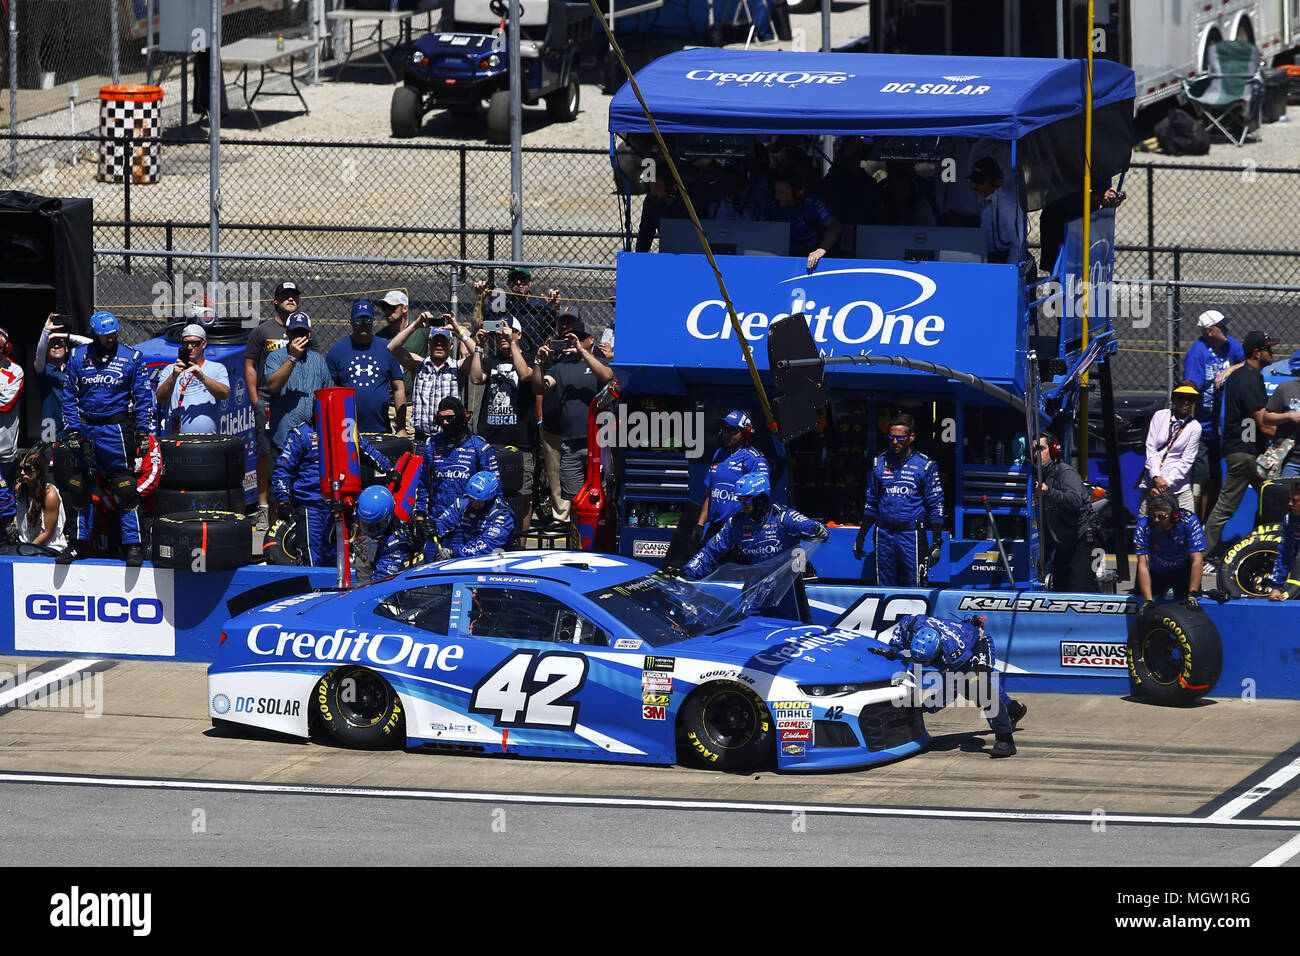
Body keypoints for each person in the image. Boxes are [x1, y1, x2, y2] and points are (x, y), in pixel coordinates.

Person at [58, 310, 154, 566]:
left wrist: (144, 430)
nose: (110, 339)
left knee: (126, 486)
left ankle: (133, 545)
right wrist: (74, 431)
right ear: (94, 335)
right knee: (79, 485)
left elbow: (144, 397)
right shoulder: (79, 356)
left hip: (117, 429)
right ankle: (77, 543)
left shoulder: (132, 357)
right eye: (104, 336)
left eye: (113, 334)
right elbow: (68, 398)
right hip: (87, 428)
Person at [875, 613, 1027, 758]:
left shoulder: (953, 654)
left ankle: (1006, 741)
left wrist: (925, 707)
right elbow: (903, 625)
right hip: (960, 637)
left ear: (937, 652)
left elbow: (950, 692)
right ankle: (1014, 709)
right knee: (973, 690)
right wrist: (893, 648)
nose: (920, 664)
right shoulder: (913, 624)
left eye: (924, 662)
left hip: (978, 645)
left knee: (982, 690)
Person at [272, 419, 392, 568]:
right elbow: (283, 469)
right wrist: (283, 498)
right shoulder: (300, 434)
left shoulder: (345, 427)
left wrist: (390, 470)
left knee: (339, 560)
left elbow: (365, 450)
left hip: (340, 505)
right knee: (311, 559)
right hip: (311, 507)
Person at [1204, 330, 1278, 559]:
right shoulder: (1249, 378)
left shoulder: (1243, 374)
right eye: (1268, 349)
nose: (1272, 353)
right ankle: (1204, 555)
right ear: (1257, 352)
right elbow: (1263, 423)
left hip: (1249, 451)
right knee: (1227, 506)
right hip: (1245, 454)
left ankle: (1259, 543)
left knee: (1273, 497)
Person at [532, 320, 614, 525]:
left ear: (590, 340)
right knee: (574, 497)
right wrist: (538, 362)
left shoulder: (600, 360)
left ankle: (600, 533)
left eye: (579, 337)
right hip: (570, 443)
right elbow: (540, 388)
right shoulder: (560, 366)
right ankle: (577, 534)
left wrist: (583, 351)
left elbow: (607, 376)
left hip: (597, 442)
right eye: (570, 338)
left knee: (600, 493)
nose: (573, 341)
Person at [469, 308, 537, 543]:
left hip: (519, 440)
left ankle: (520, 543)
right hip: (492, 437)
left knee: (522, 495)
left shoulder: (528, 357)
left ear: (519, 334)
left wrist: (512, 343)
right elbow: (476, 378)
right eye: (499, 333)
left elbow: (525, 374)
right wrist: (478, 347)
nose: (502, 336)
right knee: (489, 492)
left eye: (507, 332)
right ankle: (490, 540)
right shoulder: (491, 361)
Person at [854, 413, 944, 587]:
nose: (895, 442)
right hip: (884, 534)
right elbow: (871, 503)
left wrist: (937, 542)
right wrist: (860, 537)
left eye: (900, 437)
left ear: (911, 438)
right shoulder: (878, 463)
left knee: (915, 586)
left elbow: (936, 505)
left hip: (912, 536)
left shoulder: (925, 466)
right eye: (892, 437)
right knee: (884, 587)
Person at [682, 471, 827, 579]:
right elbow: (710, 552)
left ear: (761, 498)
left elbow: (814, 527)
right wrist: (687, 572)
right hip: (759, 584)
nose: (743, 505)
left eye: (747, 500)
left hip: (791, 584)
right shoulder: (735, 524)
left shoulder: (782, 517)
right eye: (740, 500)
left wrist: (816, 529)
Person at [245, 279, 300, 528]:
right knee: (266, 452)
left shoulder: (304, 330)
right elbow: (249, 364)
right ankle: (263, 506)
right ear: (276, 301)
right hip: (267, 401)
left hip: (292, 402)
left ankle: (291, 504)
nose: (291, 299)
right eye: (286, 296)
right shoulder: (263, 331)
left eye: (294, 295)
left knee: (293, 452)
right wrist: (255, 398)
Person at [1183, 310, 1245, 519]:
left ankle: (1211, 521)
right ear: (1210, 331)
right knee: (1201, 477)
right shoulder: (1197, 353)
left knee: (1219, 476)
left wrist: (1229, 370)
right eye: (1222, 327)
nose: (1227, 331)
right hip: (1204, 425)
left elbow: (1249, 362)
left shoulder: (1231, 346)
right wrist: (1190, 425)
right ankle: (1195, 521)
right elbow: (1191, 389)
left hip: (1226, 425)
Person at [414, 396, 501, 539]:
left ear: (461, 417)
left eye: (450, 418)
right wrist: (419, 517)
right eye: (441, 419)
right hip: (436, 524)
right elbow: (424, 485)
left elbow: (496, 491)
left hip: (469, 526)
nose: (445, 423)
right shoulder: (432, 444)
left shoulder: (480, 448)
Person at [389, 311, 474, 445]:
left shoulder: (458, 367)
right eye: (436, 341)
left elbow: (478, 356)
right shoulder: (418, 365)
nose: (439, 344)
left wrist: (458, 330)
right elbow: (392, 347)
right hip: (422, 440)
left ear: (451, 345)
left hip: (449, 440)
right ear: (429, 344)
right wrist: (415, 325)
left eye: (443, 341)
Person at [328, 300, 407, 435]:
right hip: (346, 431)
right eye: (359, 320)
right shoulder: (337, 351)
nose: (363, 324)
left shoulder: (387, 349)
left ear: (374, 321)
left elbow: (398, 387)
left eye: (367, 320)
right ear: (351, 322)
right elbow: (327, 390)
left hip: (381, 429)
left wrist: (401, 427)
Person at [693, 410, 768, 546]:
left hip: (741, 529)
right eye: (725, 429)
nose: (727, 434)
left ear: (745, 433)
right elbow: (710, 493)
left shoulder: (754, 459)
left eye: (733, 430)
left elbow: (761, 499)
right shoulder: (719, 454)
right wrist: (700, 524)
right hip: (715, 528)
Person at [1032, 433, 1095, 591]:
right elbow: (1049, 522)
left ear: (1053, 451)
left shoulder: (1065, 472)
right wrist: (1044, 557)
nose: (1036, 454)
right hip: (1063, 544)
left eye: (1041, 448)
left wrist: (1049, 492)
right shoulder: (1041, 477)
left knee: (1079, 590)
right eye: (1033, 450)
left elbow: (1075, 501)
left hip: (1081, 540)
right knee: (1059, 588)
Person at [264, 311, 332, 457]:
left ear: (309, 334)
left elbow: (328, 396)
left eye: (302, 333)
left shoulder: (318, 360)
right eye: (295, 333)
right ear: (288, 333)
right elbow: (273, 386)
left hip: (313, 440)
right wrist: (292, 358)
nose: (298, 337)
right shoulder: (275, 357)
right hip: (284, 439)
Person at [1137, 382, 1202, 516]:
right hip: (1153, 483)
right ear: (1174, 399)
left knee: (1187, 525)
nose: (1186, 402)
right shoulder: (1160, 416)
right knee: (1146, 523)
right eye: (1181, 398)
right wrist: (1156, 477)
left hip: (1178, 486)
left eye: (1190, 399)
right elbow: (1151, 448)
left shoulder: (1195, 427)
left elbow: (1187, 460)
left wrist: (1166, 483)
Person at [1134, 491, 1207, 607]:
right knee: (1143, 609)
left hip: (1182, 571)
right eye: (1154, 516)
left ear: (1174, 516)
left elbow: (1197, 559)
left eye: (1161, 516)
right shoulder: (1144, 525)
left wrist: (1193, 593)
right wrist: (1148, 600)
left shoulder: (1190, 522)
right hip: (1154, 572)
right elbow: (1143, 564)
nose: (1156, 520)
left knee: (1191, 608)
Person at [155, 323, 231, 434]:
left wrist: (202, 377)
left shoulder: (217, 368)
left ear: (204, 344)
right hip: (176, 441)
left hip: (206, 441)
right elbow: (161, 399)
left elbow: (224, 394)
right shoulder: (170, 369)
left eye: (195, 343)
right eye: (186, 343)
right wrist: (174, 376)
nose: (190, 347)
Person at [761, 169, 841, 271]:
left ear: (797, 192)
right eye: (776, 192)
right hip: (783, 260)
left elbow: (835, 226)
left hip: (814, 261)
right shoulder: (771, 208)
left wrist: (821, 250)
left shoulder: (813, 204)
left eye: (782, 192)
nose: (777, 197)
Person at [428, 470, 516, 559]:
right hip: (467, 557)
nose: (474, 503)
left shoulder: (502, 514)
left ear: (490, 498)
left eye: (479, 501)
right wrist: (434, 526)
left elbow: (488, 547)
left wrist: (453, 552)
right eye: (472, 498)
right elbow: (445, 522)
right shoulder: (463, 503)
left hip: (496, 561)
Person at [374, 290, 423, 433]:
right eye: (384, 307)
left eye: (392, 307)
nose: (387, 311)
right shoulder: (380, 337)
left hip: (411, 405)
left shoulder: (420, 330)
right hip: (386, 405)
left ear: (405, 308)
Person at [34, 314, 88, 443]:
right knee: (52, 461)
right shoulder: (43, 369)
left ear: (67, 349)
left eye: (60, 343)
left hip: (75, 423)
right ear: (47, 350)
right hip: (51, 425)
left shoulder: (75, 367)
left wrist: (66, 336)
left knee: (78, 460)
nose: (56, 346)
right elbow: (39, 352)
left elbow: (92, 345)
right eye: (52, 344)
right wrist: (46, 332)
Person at [967, 156, 1025, 265]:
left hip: (1007, 259)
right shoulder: (985, 200)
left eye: (980, 182)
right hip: (991, 258)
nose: (975, 186)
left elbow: (1018, 243)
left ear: (995, 182)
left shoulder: (1008, 203)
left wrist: (1010, 269)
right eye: (974, 182)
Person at [353, 485, 417, 581]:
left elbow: (382, 582)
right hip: (359, 579)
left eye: (376, 526)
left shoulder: (396, 544)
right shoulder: (360, 515)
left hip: (374, 588)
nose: (369, 530)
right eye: (364, 524)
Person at [14, 448, 66, 552]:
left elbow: (47, 532)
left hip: (49, 547)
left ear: (38, 471)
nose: (22, 473)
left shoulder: (50, 494)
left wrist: (26, 550)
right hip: (26, 545)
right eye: (20, 469)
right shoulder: (19, 490)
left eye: (27, 469)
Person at [1263, 357, 1300, 478]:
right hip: (1290, 460)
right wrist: (1289, 416)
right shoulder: (1286, 388)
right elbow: (1266, 418)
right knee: (1288, 495)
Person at [636, 175, 690, 253]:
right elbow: (645, 232)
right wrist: (639, 258)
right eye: (651, 187)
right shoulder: (651, 201)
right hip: (668, 255)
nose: (653, 192)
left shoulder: (687, 198)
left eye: (657, 187)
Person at [0, 326, 26, 488]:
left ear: (6, 348)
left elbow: (5, 404)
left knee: (5, 499)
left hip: (4, 449)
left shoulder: (15, 371)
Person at [881, 161, 939, 228]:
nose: (900, 189)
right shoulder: (879, 204)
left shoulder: (922, 204)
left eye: (903, 186)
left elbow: (928, 232)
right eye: (896, 186)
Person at [1269, 482, 1300, 601]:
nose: (1290, 503)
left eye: (1295, 500)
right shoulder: (1289, 518)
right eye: (1290, 499)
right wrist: (1276, 587)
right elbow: (1284, 553)